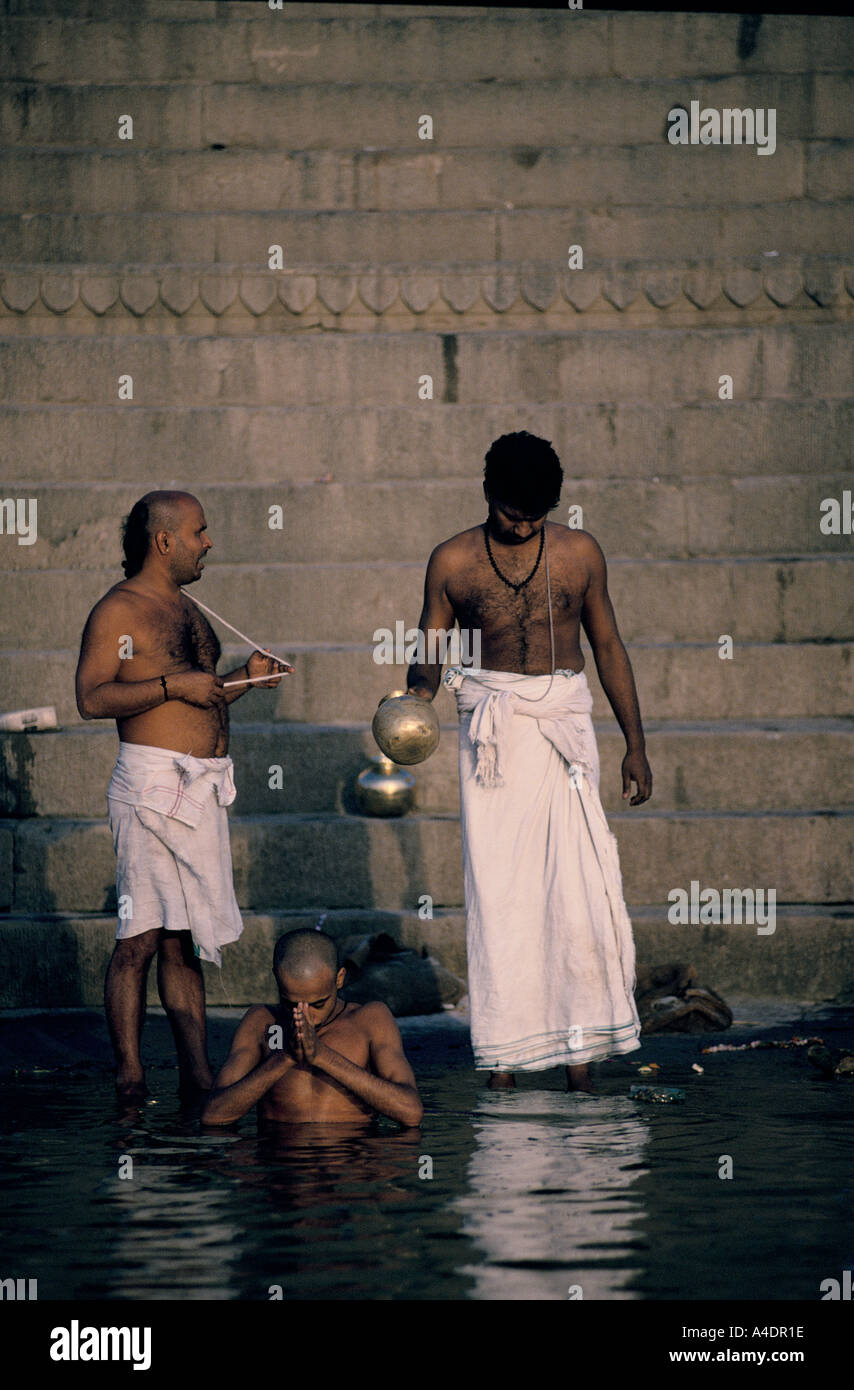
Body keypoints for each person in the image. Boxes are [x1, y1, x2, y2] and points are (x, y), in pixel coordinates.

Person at [405, 432, 653, 1093]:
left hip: (562, 727)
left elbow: (607, 644)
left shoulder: (579, 554)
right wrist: (416, 699)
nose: (524, 526)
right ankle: (504, 1060)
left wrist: (636, 743)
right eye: (514, 514)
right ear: (489, 495)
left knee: (575, 896)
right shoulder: (452, 562)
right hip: (494, 735)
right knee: (500, 896)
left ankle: (580, 1060)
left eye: (536, 516)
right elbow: (427, 649)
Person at [74, 490, 290, 1099]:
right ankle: (131, 1077)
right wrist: (172, 683)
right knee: (139, 935)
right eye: (199, 531)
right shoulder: (119, 610)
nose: (209, 541)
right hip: (150, 788)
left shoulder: (191, 607)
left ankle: (196, 1074)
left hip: (201, 789)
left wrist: (244, 680)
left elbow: (201, 696)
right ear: (163, 540)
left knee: (182, 936)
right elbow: (91, 698)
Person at [202, 928, 423, 1126]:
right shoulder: (262, 1020)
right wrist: (285, 1057)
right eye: (291, 1004)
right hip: (279, 1161)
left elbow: (411, 1113)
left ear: (339, 979)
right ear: (276, 980)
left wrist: (321, 1056)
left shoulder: (370, 1019)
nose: (307, 1016)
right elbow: (213, 1116)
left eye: (318, 1004)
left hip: (352, 1158)